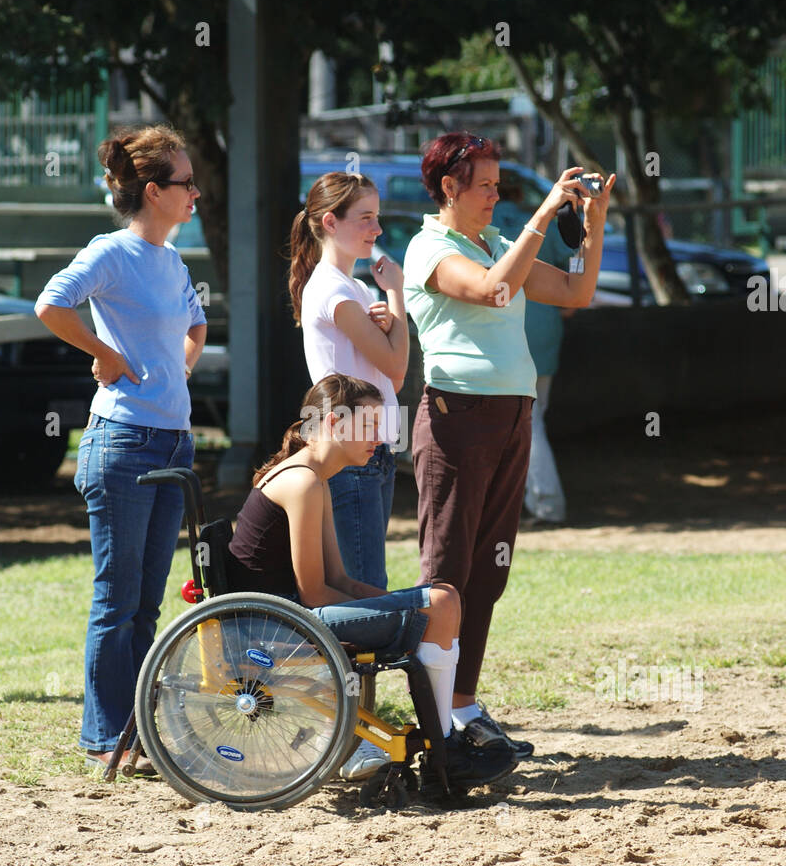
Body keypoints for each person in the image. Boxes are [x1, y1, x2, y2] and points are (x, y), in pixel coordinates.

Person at [403, 133, 615, 753]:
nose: (497, 195)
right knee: (445, 575)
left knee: (486, 573)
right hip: (455, 418)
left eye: (499, 186)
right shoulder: (427, 248)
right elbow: (495, 289)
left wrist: (592, 224)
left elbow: (576, 293)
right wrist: (545, 214)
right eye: (486, 186)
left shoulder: (496, 242)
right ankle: (435, 723)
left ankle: (462, 710)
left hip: (509, 416)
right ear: (450, 188)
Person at [225, 373, 519, 794]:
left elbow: (339, 580)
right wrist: (412, 608)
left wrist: (406, 601)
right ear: (332, 425)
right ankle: (446, 751)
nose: (379, 439)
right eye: (368, 426)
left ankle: (445, 748)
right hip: (281, 629)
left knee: (445, 598)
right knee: (440, 602)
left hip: (293, 616)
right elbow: (313, 594)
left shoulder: (314, 477)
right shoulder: (303, 482)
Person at [35, 125, 207, 771]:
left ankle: (136, 735)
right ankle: (108, 737)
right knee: (117, 597)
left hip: (173, 443)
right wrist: (104, 353)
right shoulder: (112, 252)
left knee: (147, 601)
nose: (197, 194)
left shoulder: (172, 260)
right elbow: (51, 304)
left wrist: (177, 369)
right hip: (124, 443)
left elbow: (196, 322)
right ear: (156, 191)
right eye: (187, 184)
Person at [289, 173, 409, 781]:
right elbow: (395, 367)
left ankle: (352, 735)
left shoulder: (349, 286)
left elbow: (388, 370)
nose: (378, 229)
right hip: (353, 457)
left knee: (366, 592)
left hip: (369, 453)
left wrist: (385, 311)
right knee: (357, 602)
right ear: (329, 222)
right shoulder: (335, 289)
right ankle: (348, 741)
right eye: (365, 218)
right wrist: (401, 302)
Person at [522, 216, 574, 524]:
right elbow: (574, 290)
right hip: (546, 331)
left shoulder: (484, 222)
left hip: (514, 333)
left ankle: (547, 505)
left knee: (528, 423)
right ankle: (540, 502)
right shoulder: (550, 226)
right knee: (532, 419)